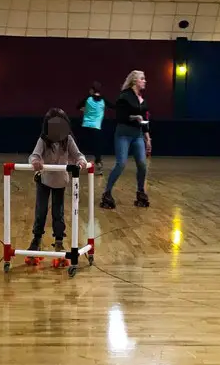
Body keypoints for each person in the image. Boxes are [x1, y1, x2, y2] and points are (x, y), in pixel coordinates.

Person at [27, 109, 87, 265]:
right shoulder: (43, 140)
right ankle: (36, 240)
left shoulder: (68, 140)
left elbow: (78, 155)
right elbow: (34, 155)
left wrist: (81, 161)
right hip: (44, 180)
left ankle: (59, 242)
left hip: (60, 181)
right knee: (40, 211)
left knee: (58, 212)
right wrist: (35, 161)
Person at [100, 70, 151, 209]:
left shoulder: (143, 100)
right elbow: (120, 117)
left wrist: (148, 138)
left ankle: (141, 192)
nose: (145, 81)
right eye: (142, 78)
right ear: (135, 81)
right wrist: (135, 117)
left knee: (142, 164)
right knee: (121, 163)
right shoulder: (124, 97)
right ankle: (107, 193)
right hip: (123, 134)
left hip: (138, 135)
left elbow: (145, 119)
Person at [79, 82, 107, 171]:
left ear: (92, 90)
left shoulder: (88, 99)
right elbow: (113, 106)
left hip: (86, 126)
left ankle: (78, 162)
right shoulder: (103, 100)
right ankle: (98, 164)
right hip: (96, 127)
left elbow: (78, 106)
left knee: (82, 146)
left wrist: (85, 109)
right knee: (97, 147)